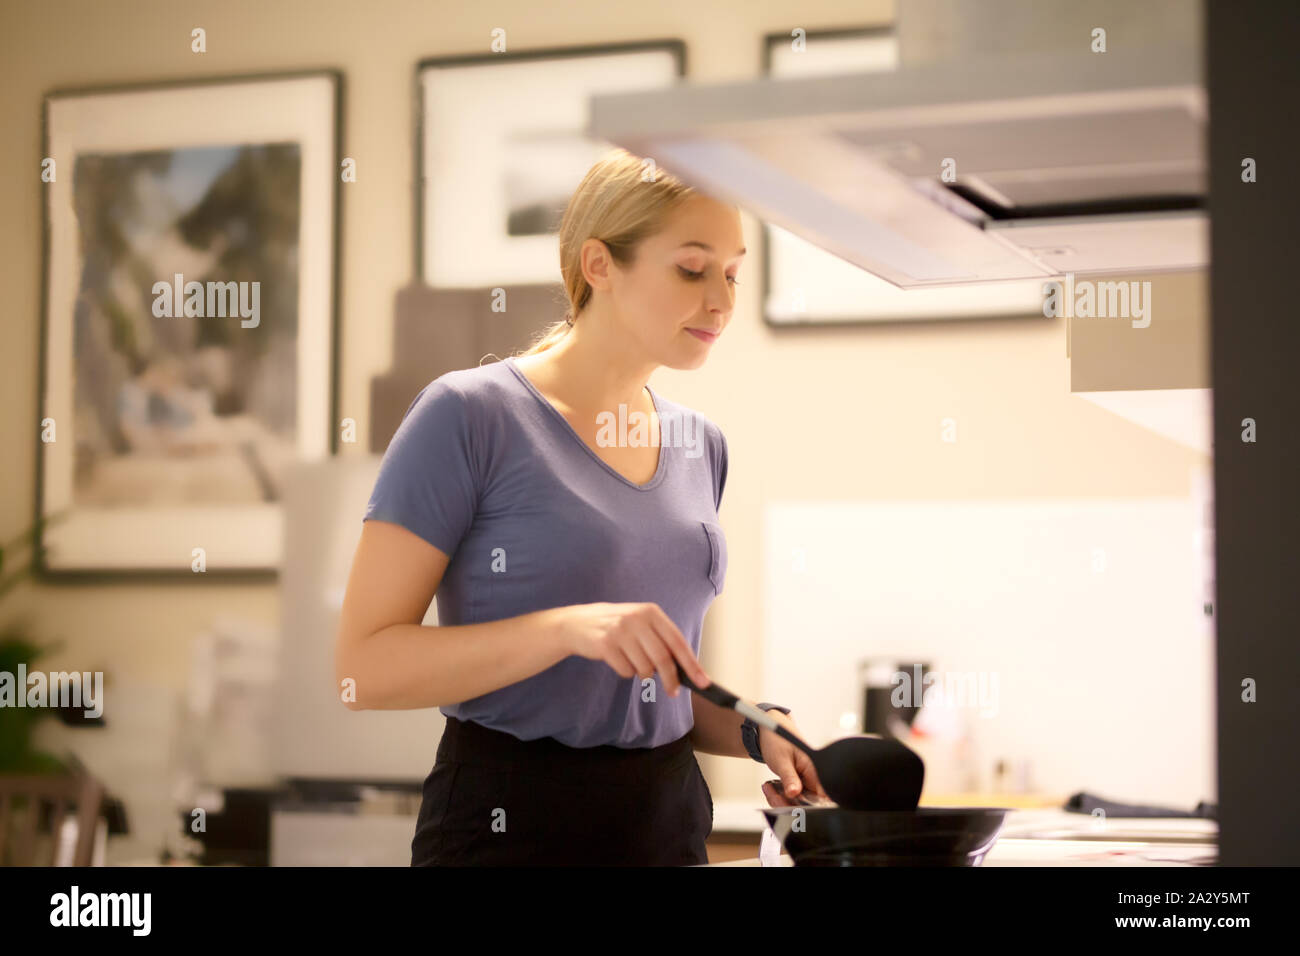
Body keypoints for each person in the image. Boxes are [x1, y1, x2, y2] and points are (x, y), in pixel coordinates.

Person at [335, 148, 826, 866]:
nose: (721, 301)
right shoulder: (469, 416)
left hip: (666, 827)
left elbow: (664, 689)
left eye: (731, 273)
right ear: (599, 265)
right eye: (692, 269)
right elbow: (362, 670)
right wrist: (566, 630)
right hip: (510, 825)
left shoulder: (701, 445)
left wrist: (759, 729)